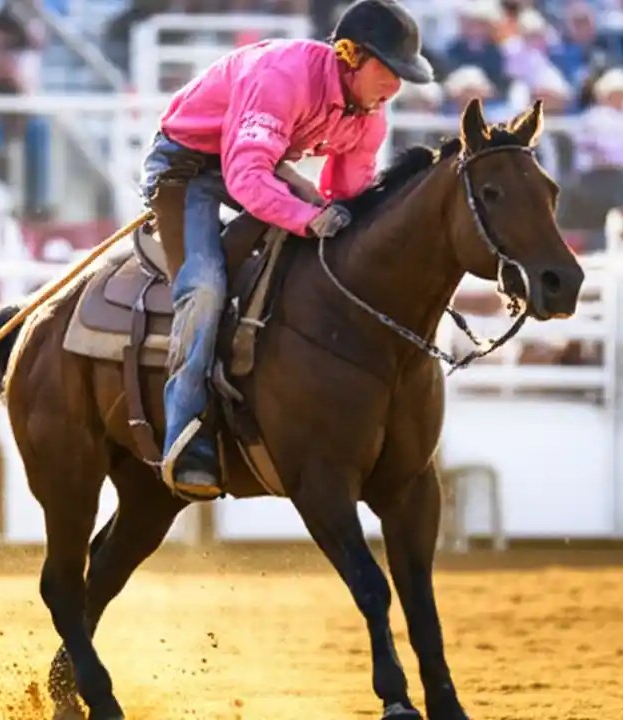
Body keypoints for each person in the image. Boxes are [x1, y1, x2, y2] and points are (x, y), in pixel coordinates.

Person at [141, 0, 432, 501]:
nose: (395, 87)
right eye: (389, 70)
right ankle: (184, 435)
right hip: (185, 168)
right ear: (351, 57)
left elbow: (349, 196)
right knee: (205, 286)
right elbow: (246, 177)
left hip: (259, 164)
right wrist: (308, 217)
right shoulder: (281, 77)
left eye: (403, 75)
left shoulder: (370, 117)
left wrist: (335, 220)